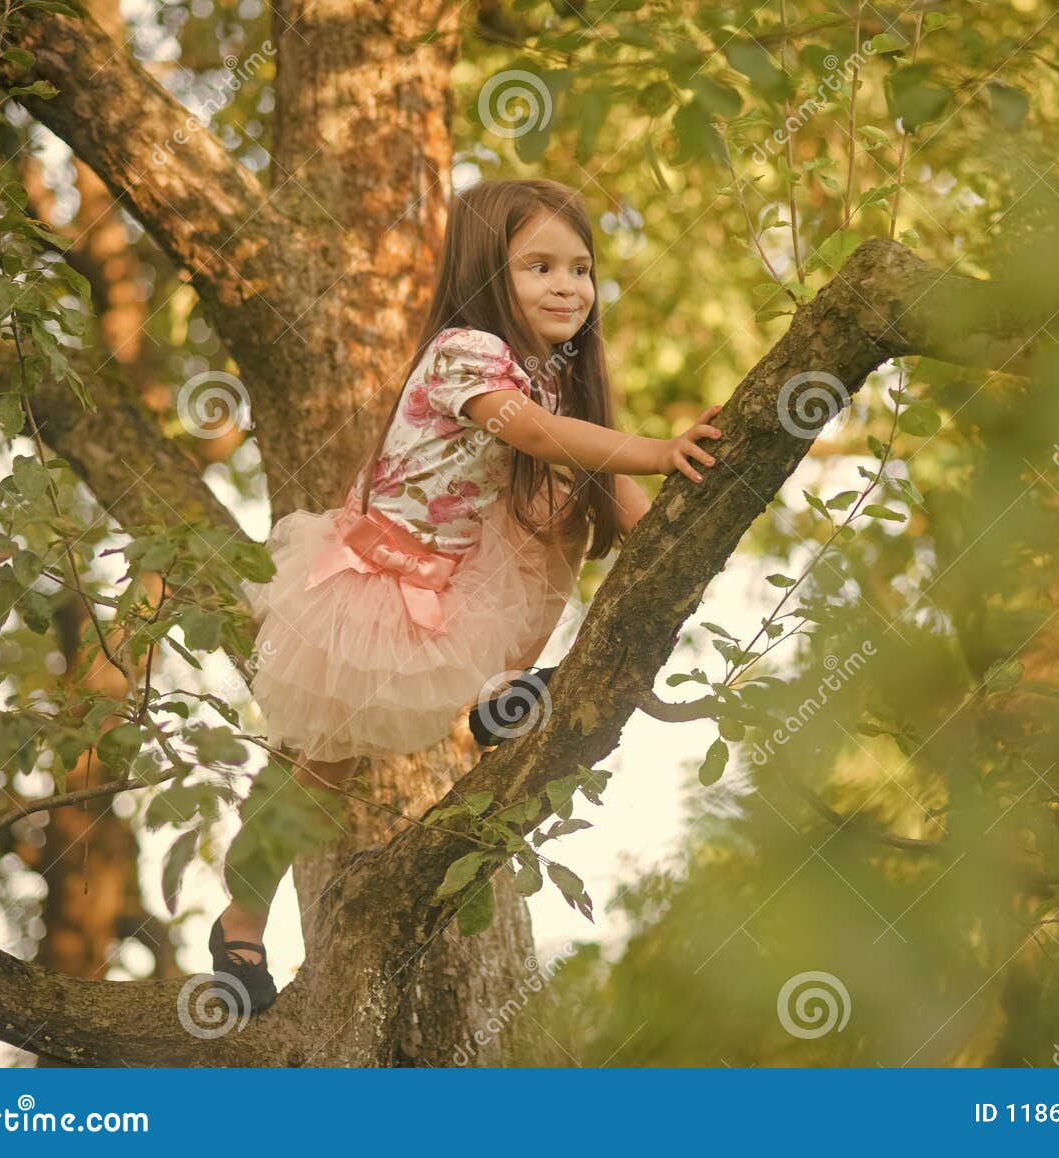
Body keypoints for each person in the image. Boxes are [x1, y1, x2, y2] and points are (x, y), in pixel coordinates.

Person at [207, 177, 724, 1012]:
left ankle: (504, 692)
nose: (568, 287)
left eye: (582, 269)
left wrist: (676, 532)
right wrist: (659, 450)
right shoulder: (465, 353)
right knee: (320, 782)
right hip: (382, 591)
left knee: (560, 513)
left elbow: (599, 485)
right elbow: (527, 432)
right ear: (489, 275)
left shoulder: (556, 379)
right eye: (539, 267)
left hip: (463, 573)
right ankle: (241, 914)